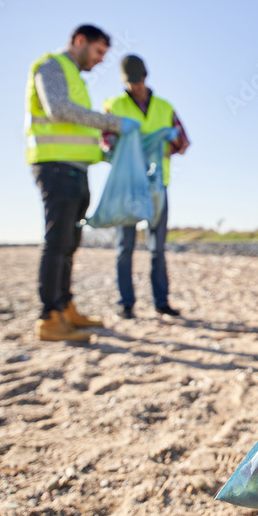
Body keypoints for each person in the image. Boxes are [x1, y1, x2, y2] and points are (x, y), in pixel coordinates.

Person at [25, 24, 141, 342]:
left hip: (76, 167)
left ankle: (65, 306)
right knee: (57, 242)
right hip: (55, 166)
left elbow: (80, 131)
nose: (102, 60)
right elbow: (59, 109)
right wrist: (114, 123)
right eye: (99, 51)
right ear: (80, 41)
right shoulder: (52, 66)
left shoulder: (76, 77)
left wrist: (106, 153)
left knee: (70, 243)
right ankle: (49, 317)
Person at [102, 55, 190, 319]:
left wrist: (172, 140)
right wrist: (118, 144)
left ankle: (161, 302)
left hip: (156, 186)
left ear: (146, 77)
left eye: (138, 81)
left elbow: (183, 143)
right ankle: (125, 303)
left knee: (157, 248)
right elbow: (104, 142)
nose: (135, 86)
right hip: (126, 186)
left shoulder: (164, 107)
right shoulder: (113, 105)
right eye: (130, 82)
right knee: (124, 247)